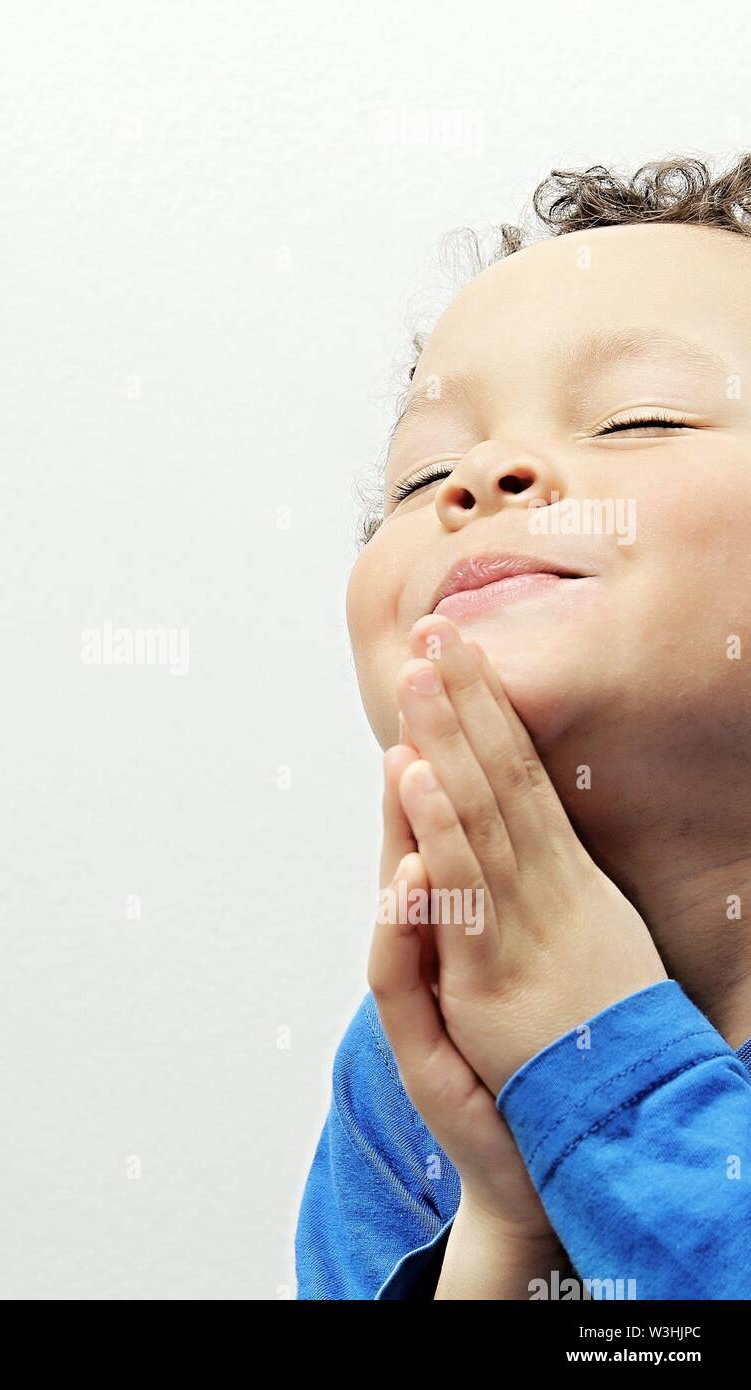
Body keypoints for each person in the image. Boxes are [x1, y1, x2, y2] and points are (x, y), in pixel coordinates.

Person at [296, 156, 751, 1299]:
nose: (478, 479)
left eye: (637, 417)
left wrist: (595, 1060)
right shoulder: (405, 1072)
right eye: (419, 476)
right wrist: (507, 1225)